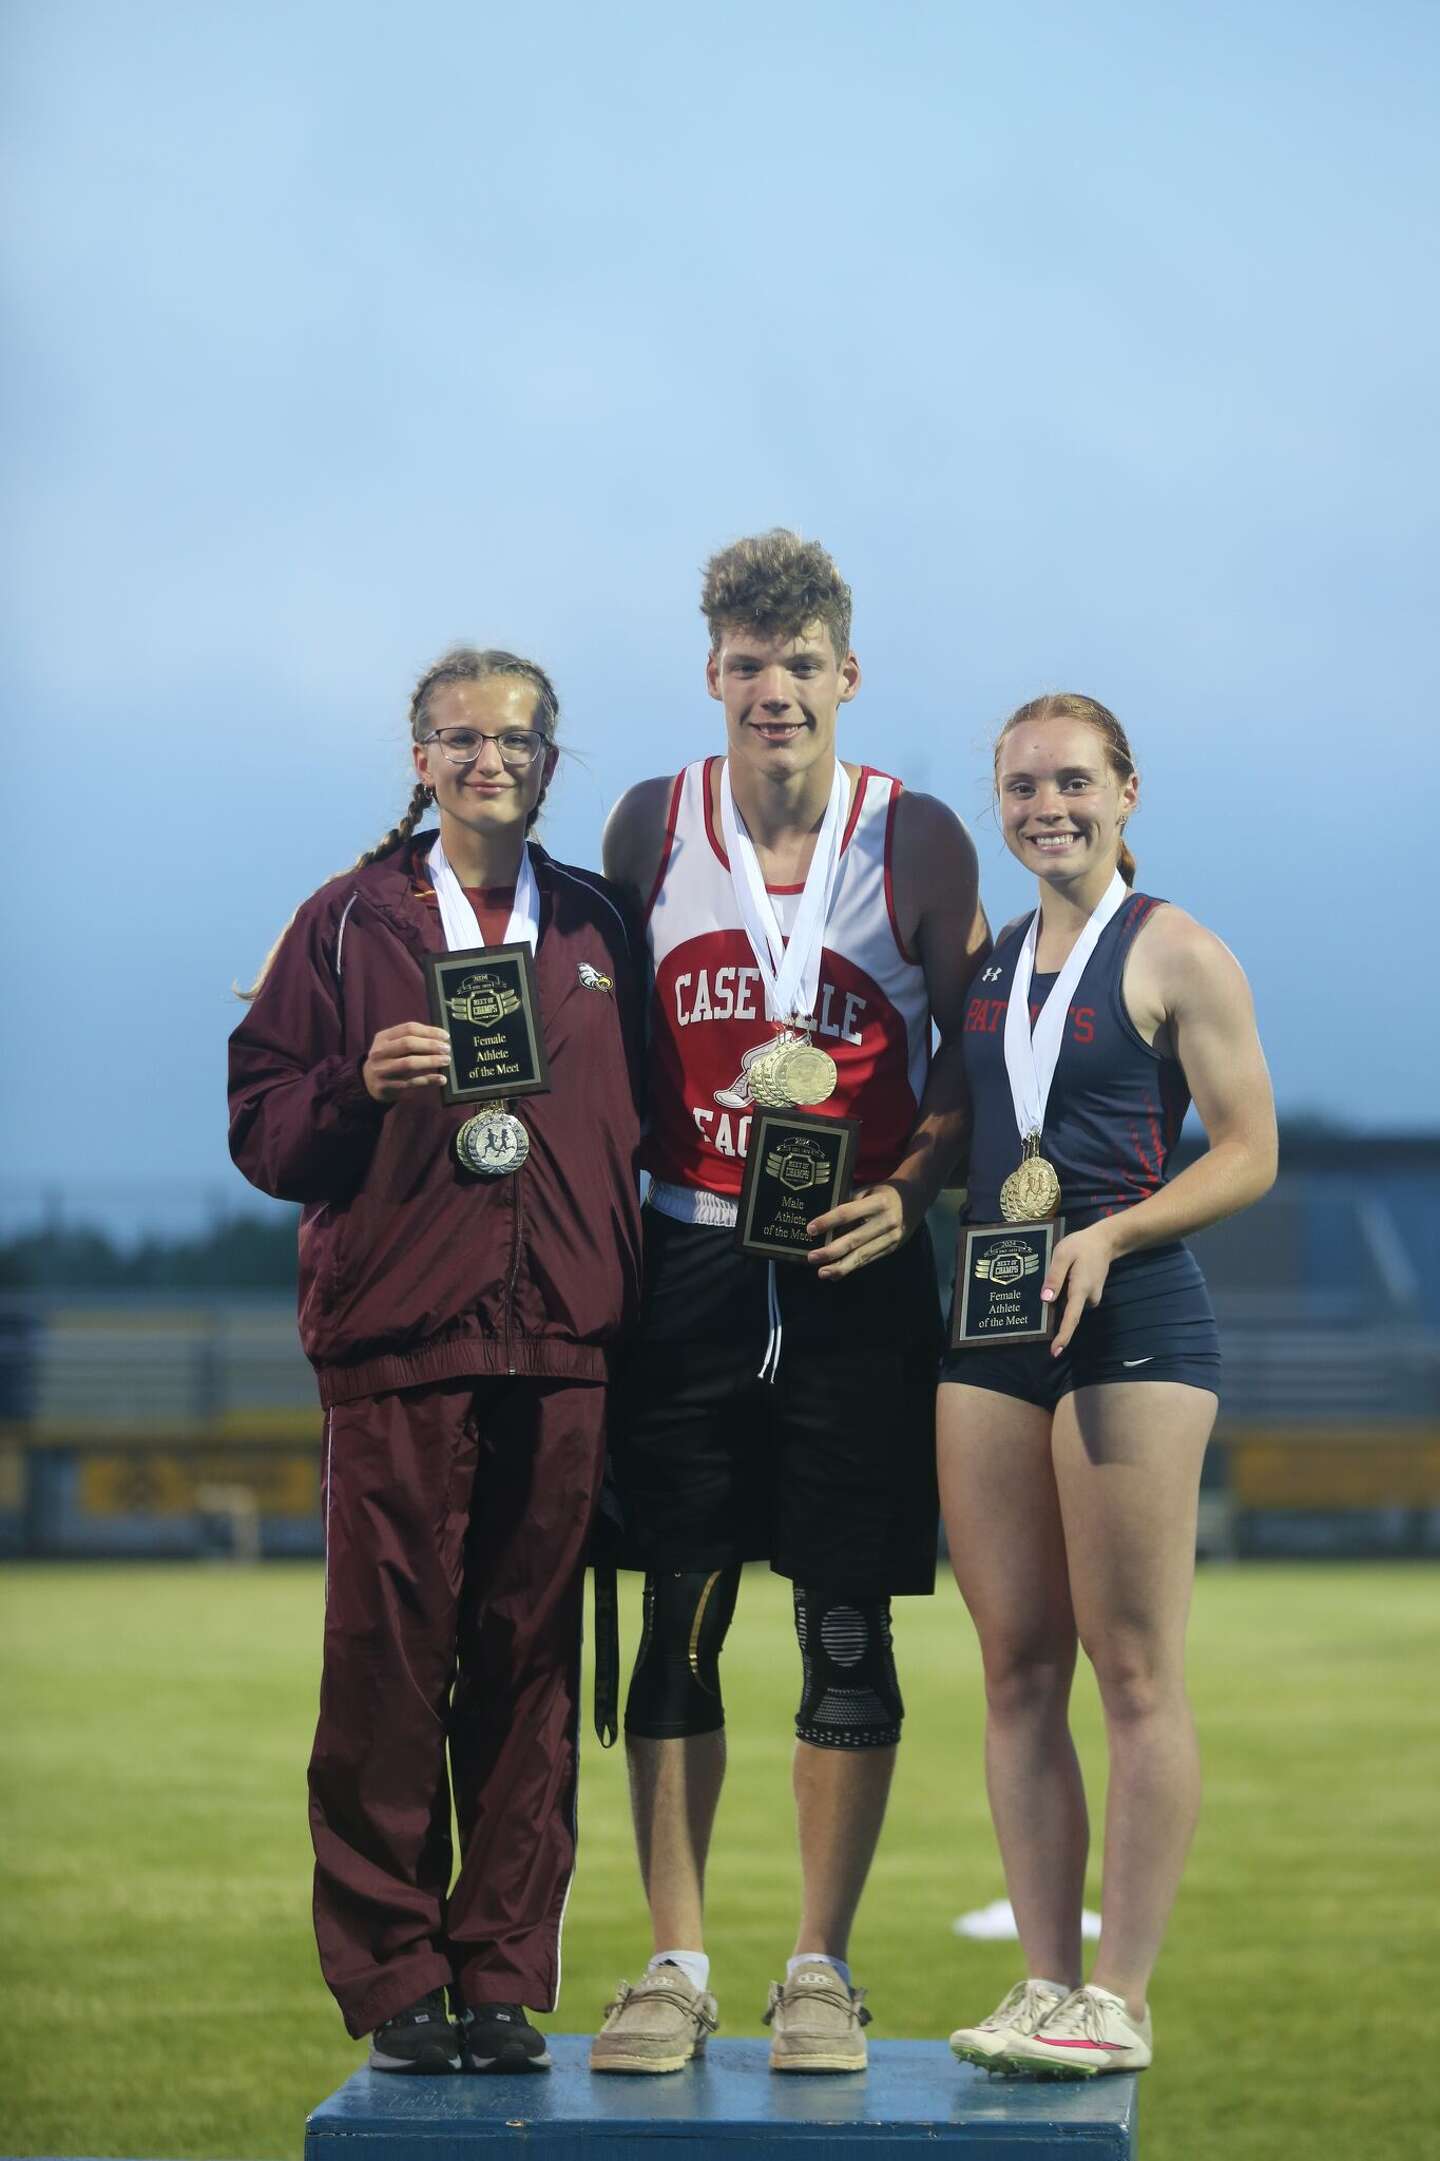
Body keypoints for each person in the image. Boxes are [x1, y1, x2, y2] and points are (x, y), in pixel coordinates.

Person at [591, 530, 990, 2075]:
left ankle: (819, 1966)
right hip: (689, 1257)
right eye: (749, 662)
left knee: (841, 1622)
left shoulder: (920, 836)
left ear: (847, 672)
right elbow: (580, 1001)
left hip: (855, 1265)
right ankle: (675, 1960)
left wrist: (919, 1188)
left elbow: (968, 1061)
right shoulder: (650, 822)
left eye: (801, 661)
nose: (775, 688)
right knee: (678, 1611)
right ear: (713, 672)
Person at [227, 648, 644, 2075]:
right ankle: (395, 1974)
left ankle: (501, 1977)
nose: (490, 761)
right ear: (420, 759)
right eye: (462, 739)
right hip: (400, 1339)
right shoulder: (345, 921)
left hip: (562, 1340)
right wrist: (356, 1084)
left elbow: (643, 1122)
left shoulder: (597, 923)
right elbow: (262, 1130)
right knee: (386, 1667)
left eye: (516, 740)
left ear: (550, 761)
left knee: (531, 1672)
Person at [940, 692, 1276, 2080]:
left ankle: (1119, 1993)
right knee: (1017, 1668)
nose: (1048, 807)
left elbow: (1249, 1149)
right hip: (992, 1319)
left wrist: (1118, 1232)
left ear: (1127, 790)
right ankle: (1044, 1981)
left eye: (1074, 781)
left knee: (1133, 1670)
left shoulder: (1177, 949)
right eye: (1023, 786)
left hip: (1129, 1311)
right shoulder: (989, 962)